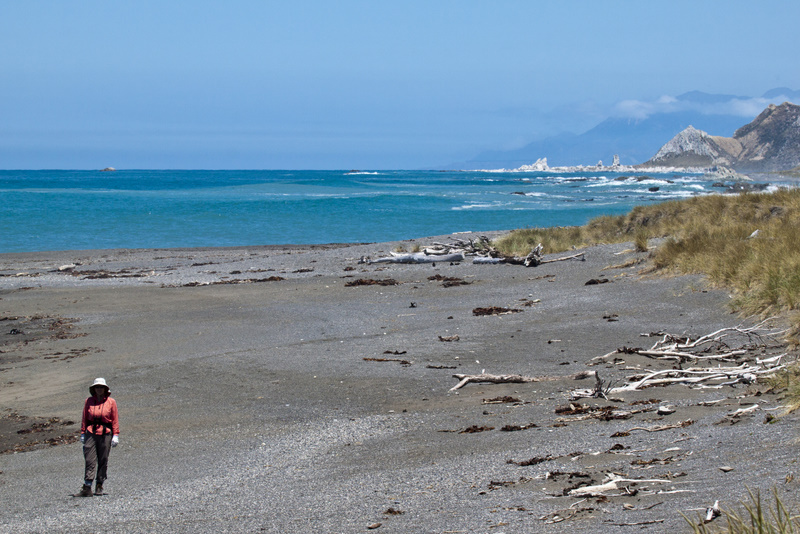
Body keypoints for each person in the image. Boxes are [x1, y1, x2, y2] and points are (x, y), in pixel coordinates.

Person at [76, 377, 120, 497]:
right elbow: (84, 418)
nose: (99, 389)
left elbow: (115, 419)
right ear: (94, 389)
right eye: (97, 387)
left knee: (103, 459)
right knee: (89, 459)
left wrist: (116, 435)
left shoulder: (111, 402)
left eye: (101, 387)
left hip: (105, 433)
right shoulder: (88, 401)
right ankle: (87, 486)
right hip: (91, 432)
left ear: (105, 389)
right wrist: (82, 433)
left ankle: (99, 484)